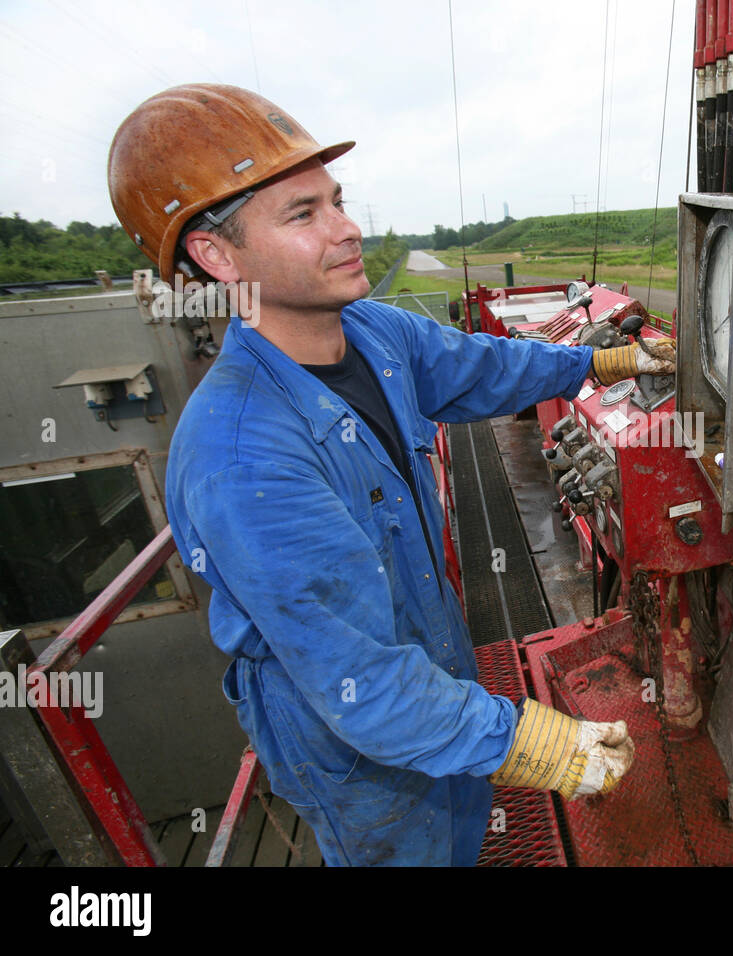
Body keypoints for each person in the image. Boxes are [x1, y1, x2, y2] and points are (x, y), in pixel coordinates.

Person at [107, 84, 676, 866]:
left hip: (434, 669)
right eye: (303, 215)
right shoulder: (244, 458)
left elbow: (486, 365)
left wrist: (600, 359)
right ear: (217, 255)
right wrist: (541, 744)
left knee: (465, 828)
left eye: (336, 202)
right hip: (358, 755)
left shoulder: (372, 332)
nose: (348, 231)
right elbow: (363, 685)